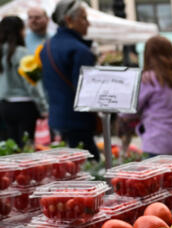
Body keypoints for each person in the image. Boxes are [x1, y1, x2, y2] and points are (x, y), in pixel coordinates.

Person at [40, 0, 100, 160]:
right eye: (83, 18)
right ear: (69, 20)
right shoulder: (80, 50)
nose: (88, 23)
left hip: (56, 118)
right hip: (79, 121)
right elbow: (85, 92)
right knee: (92, 169)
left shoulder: (46, 46)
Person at [119, 36, 172, 157]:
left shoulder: (149, 78)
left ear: (148, 54)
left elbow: (130, 111)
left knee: (157, 176)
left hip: (158, 141)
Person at [0, 16, 46, 147]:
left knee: (12, 147)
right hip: (25, 105)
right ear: (19, 31)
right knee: (26, 146)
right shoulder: (23, 53)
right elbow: (32, 84)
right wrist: (43, 107)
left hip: (4, 106)